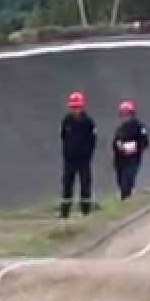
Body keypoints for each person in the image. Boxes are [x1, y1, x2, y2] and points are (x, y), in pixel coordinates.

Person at [59, 91, 97, 219]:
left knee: (85, 185)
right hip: (69, 160)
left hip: (84, 160)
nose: (75, 109)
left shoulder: (89, 122)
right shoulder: (66, 121)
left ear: (82, 107)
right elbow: (63, 137)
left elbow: (93, 141)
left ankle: (85, 211)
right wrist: (67, 153)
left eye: (77, 107)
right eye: (73, 107)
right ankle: (64, 213)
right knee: (67, 185)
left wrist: (87, 155)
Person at [112, 99, 150, 200]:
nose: (125, 117)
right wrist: (118, 146)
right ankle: (124, 195)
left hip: (133, 158)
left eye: (127, 114)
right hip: (120, 159)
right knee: (120, 179)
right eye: (123, 114)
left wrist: (135, 148)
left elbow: (145, 142)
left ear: (132, 114)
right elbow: (115, 143)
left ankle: (127, 196)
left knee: (128, 176)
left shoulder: (139, 127)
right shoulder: (120, 129)